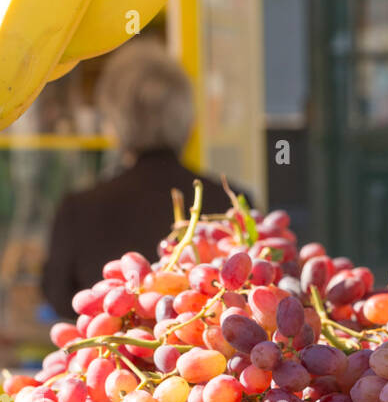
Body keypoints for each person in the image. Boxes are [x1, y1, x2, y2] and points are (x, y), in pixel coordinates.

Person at [42, 41, 246, 317]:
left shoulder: (79, 210)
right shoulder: (231, 201)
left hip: (112, 356)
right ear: (188, 121)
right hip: (210, 356)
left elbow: (59, 300)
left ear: (113, 124)